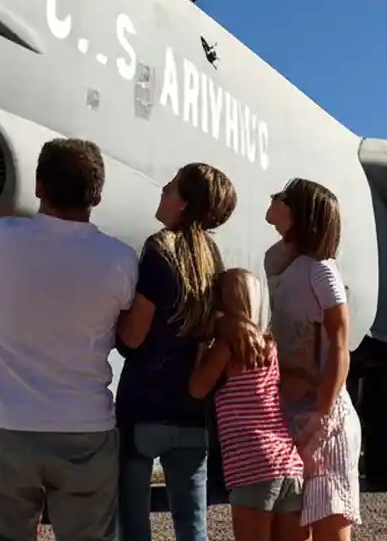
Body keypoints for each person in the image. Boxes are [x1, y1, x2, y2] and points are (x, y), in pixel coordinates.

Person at [0, 138, 139, 541]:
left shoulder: (0, 238)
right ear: (97, 195)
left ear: (39, 186)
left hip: (3, 425)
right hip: (85, 427)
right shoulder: (120, 259)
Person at [115, 162, 238, 541]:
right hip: (190, 413)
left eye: (169, 188)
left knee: (133, 525)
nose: (162, 192)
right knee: (192, 527)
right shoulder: (212, 259)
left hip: (142, 409)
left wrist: (116, 326)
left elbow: (134, 337)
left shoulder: (159, 250)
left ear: (183, 204)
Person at [264, 178, 362, 541]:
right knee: (288, 528)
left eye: (283, 197)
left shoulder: (320, 270)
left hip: (323, 421)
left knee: (328, 529)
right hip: (290, 415)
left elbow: (340, 341)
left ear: (299, 213)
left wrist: (323, 412)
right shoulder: (281, 264)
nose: (274, 199)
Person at [189, 268, 306, 541]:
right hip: (289, 464)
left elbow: (197, 388)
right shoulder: (272, 347)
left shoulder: (228, 348)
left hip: (251, 465)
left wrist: (201, 347)